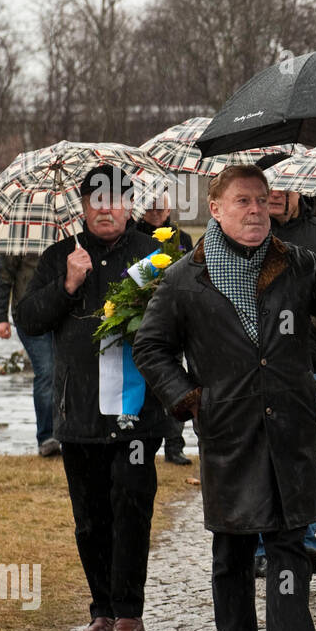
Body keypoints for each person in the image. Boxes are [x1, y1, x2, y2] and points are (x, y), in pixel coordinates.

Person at [133, 164, 316, 631]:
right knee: (234, 548)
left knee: (291, 543)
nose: (255, 210)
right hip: (228, 430)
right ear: (216, 209)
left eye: (262, 200)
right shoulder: (184, 278)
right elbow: (150, 347)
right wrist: (190, 400)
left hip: (290, 428)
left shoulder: (297, 263)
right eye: (242, 201)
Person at [15, 165, 166, 631]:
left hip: (136, 414)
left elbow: (180, 322)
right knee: (90, 516)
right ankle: (100, 608)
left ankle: (128, 611)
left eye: (115, 199)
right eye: (96, 199)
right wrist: (67, 285)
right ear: (82, 207)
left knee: (131, 505)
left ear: (128, 205)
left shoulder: (153, 256)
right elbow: (30, 320)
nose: (106, 208)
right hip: (78, 413)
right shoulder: (61, 256)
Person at [257, 187, 316, 577]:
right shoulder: (243, 234)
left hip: (307, 365)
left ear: (299, 191)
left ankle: (305, 540)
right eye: (266, 188)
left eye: (281, 188)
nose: (274, 195)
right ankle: (261, 545)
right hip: (254, 366)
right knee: (260, 454)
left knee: (303, 453)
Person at [136, 196, 195, 465]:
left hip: (175, 319)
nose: (156, 213)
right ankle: (143, 439)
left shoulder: (182, 238)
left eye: (161, 207)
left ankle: (174, 444)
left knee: (176, 381)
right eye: (150, 208)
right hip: (141, 319)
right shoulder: (134, 236)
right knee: (144, 386)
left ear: (170, 208)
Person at [0, 253, 58, 456]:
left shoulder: (69, 233)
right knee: (47, 372)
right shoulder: (20, 238)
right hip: (29, 315)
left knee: (67, 374)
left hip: (63, 313)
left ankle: (69, 432)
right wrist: (0, 317)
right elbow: (2, 275)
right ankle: (47, 438)